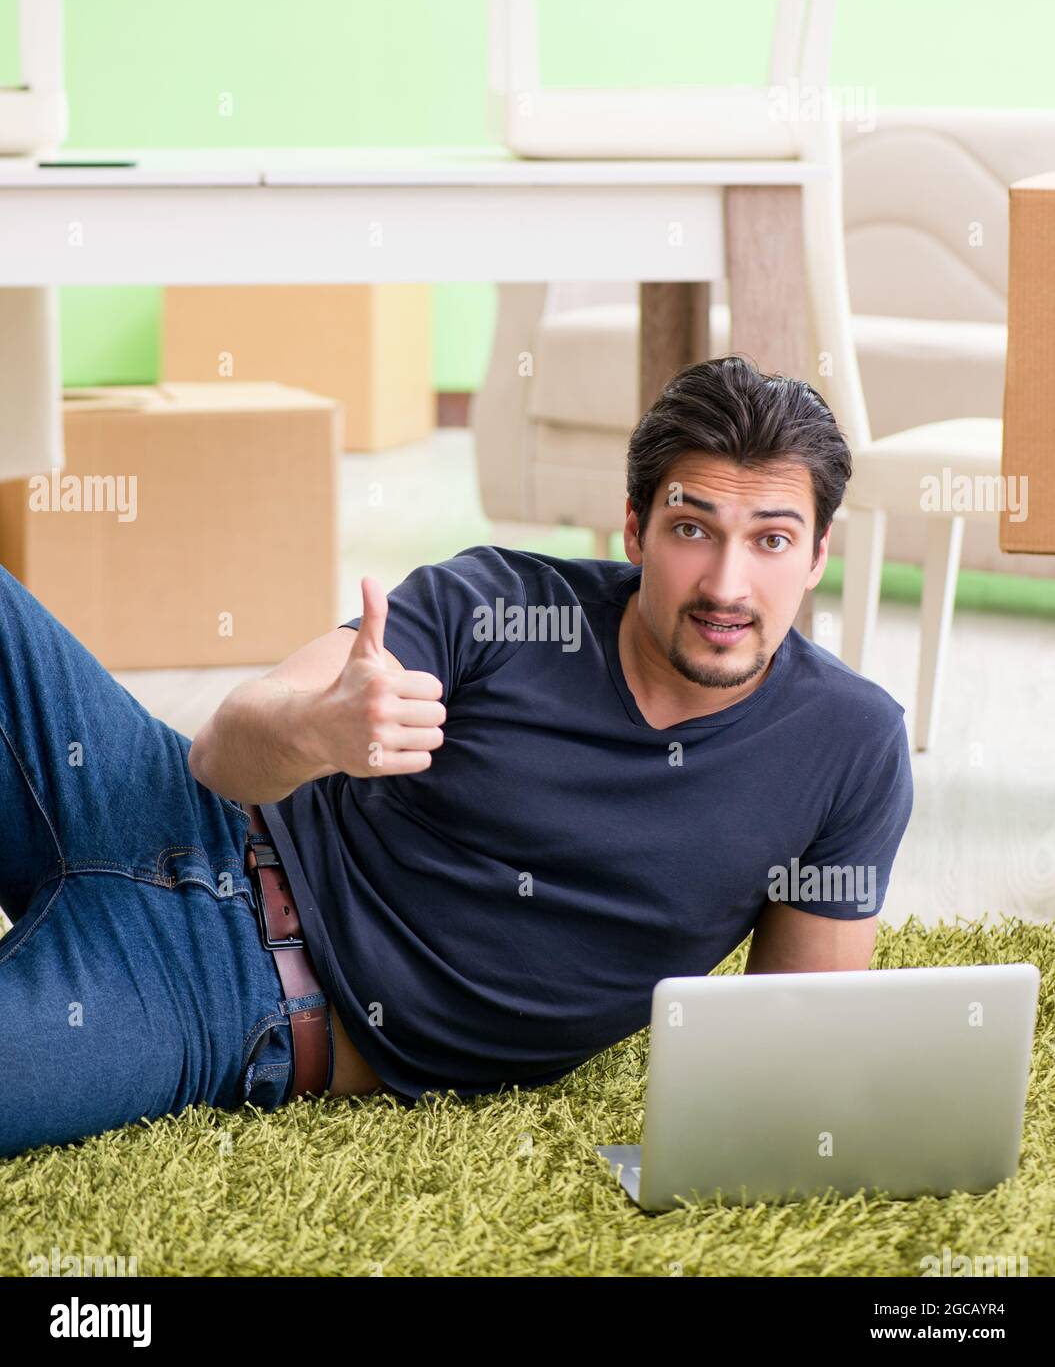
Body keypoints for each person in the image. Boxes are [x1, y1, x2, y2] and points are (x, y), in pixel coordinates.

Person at [0, 355, 914, 1160]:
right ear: (635, 530)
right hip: (152, 796)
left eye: (770, 539)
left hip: (223, 996)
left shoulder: (849, 747)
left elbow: (790, 1060)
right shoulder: (496, 604)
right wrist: (324, 730)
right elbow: (221, 751)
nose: (726, 583)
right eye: (691, 528)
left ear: (817, 554)